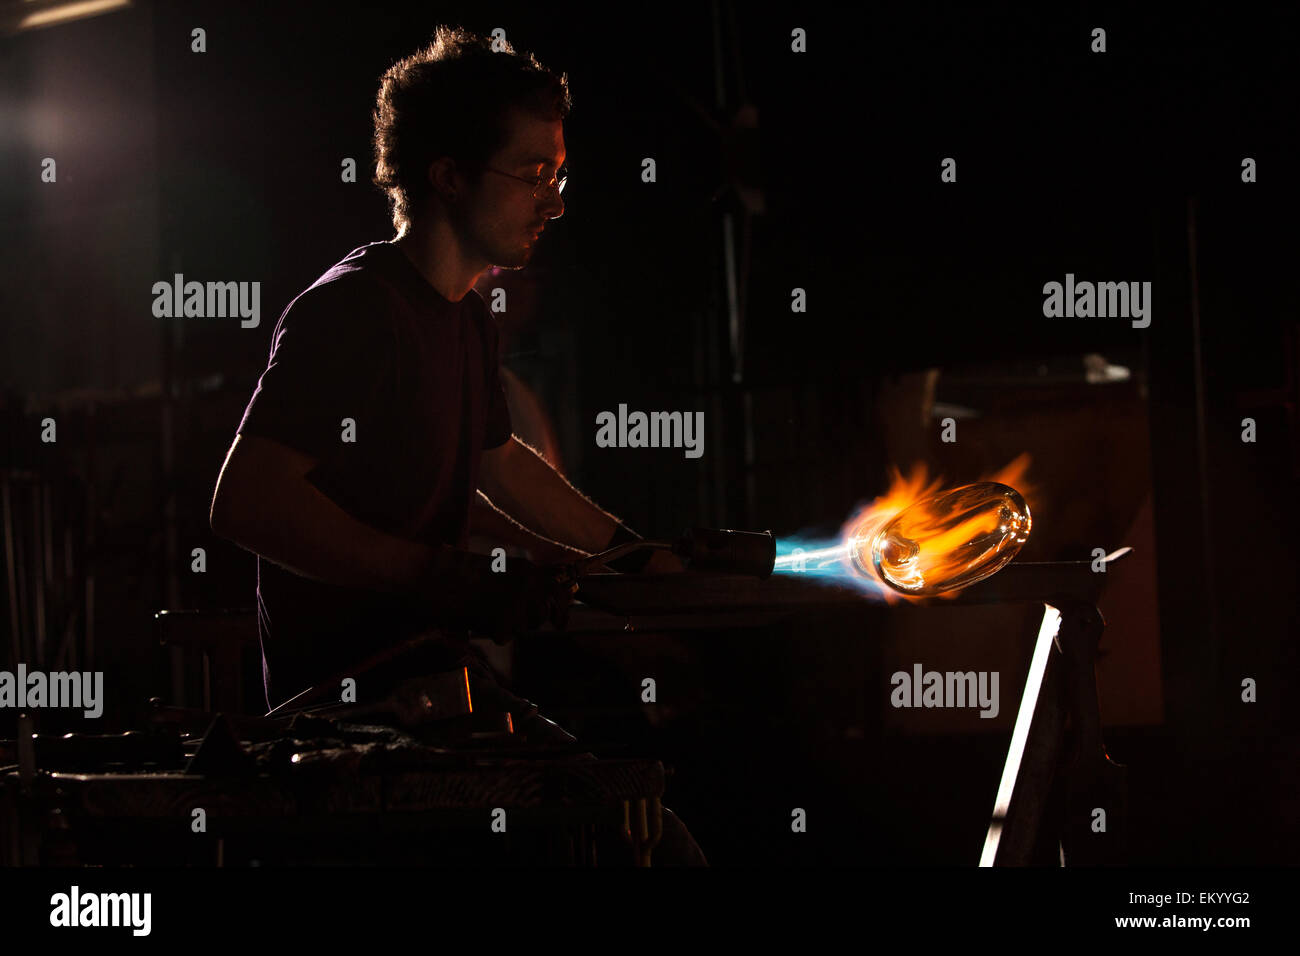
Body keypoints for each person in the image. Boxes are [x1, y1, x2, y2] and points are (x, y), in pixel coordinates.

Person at [208, 25, 705, 865]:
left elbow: (495, 466)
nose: (553, 200)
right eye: (532, 174)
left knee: (648, 838)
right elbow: (246, 501)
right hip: (348, 715)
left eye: (558, 175)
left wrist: (627, 554)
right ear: (446, 175)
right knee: (619, 841)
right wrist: (440, 575)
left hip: (439, 684)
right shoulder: (354, 312)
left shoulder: (469, 313)